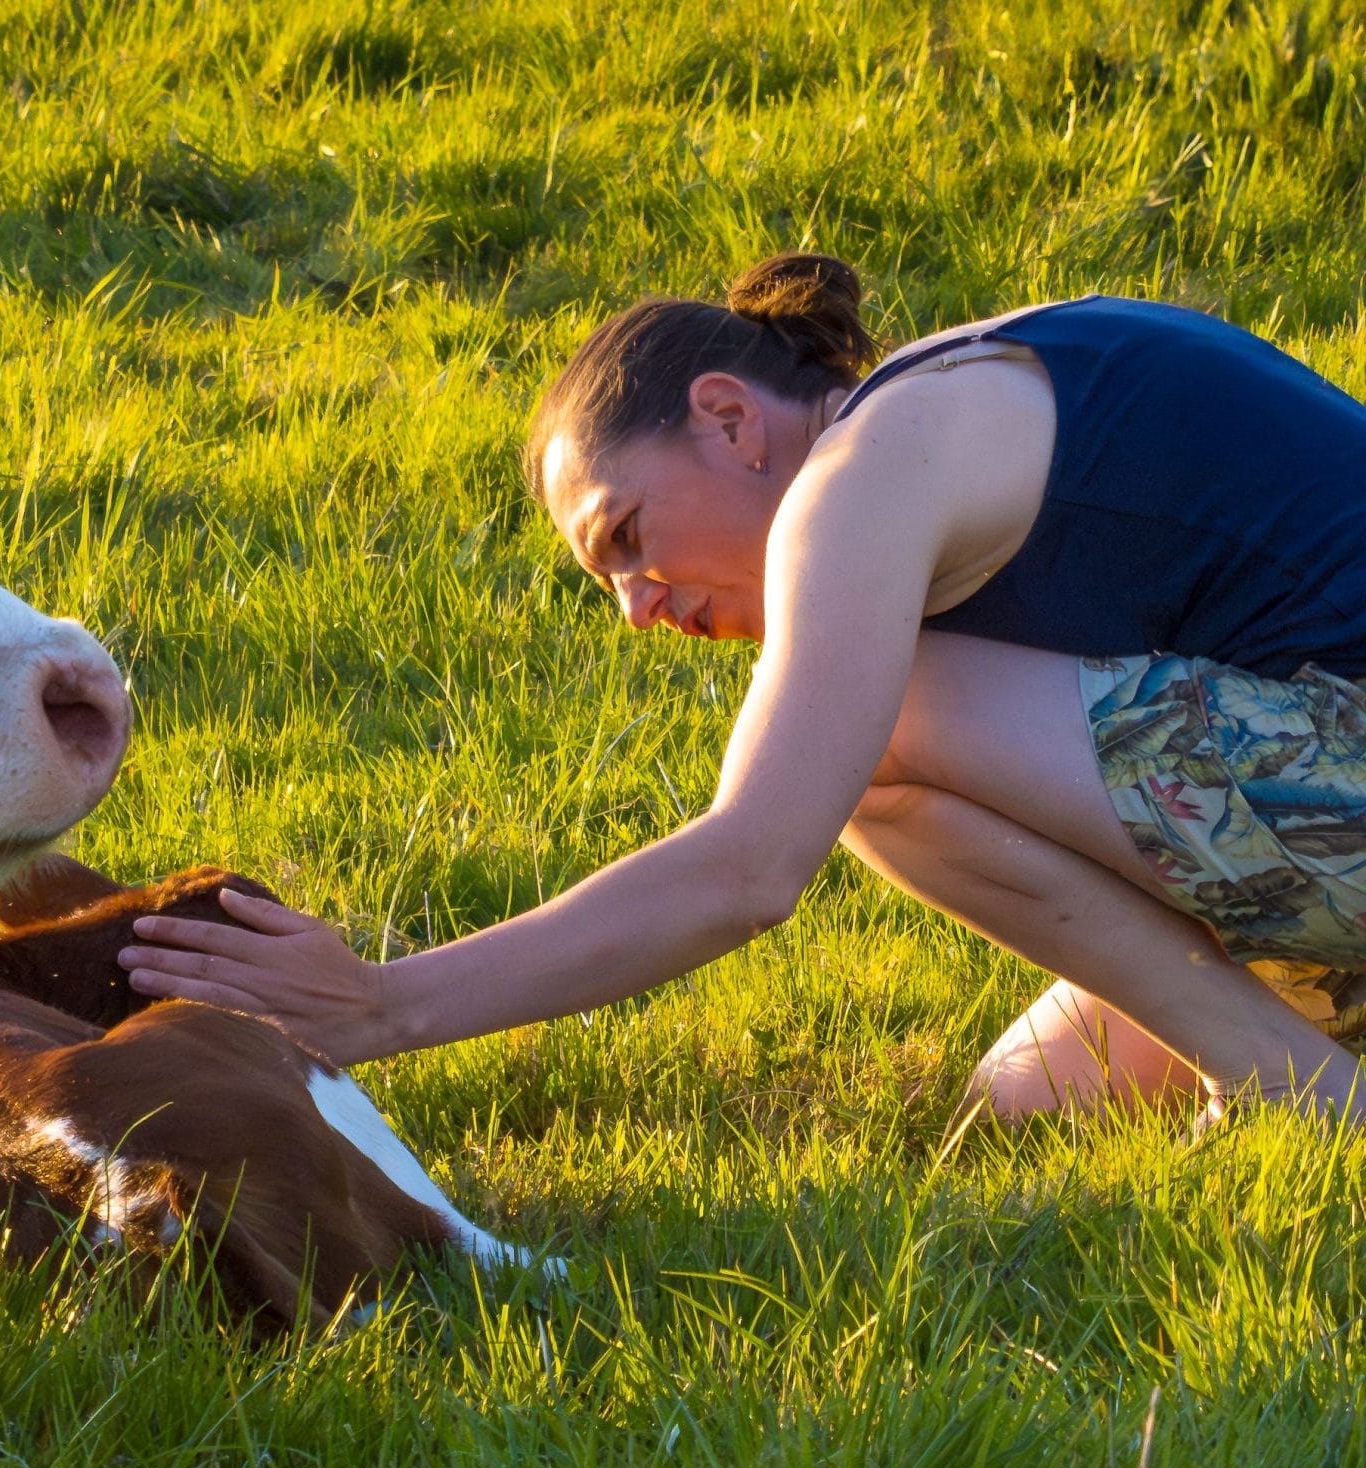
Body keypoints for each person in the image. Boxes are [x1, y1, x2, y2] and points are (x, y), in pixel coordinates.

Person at [115, 252, 1366, 1124]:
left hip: (1338, 757)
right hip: (1310, 782)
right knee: (1019, 1106)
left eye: (624, 537)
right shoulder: (947, 418)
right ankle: (1290, 1058)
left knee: (867, 749)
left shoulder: (869, 469)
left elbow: (748, 865)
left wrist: (383, 1005)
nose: (638, 607)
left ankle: (1295, 1092)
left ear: (725, 418)